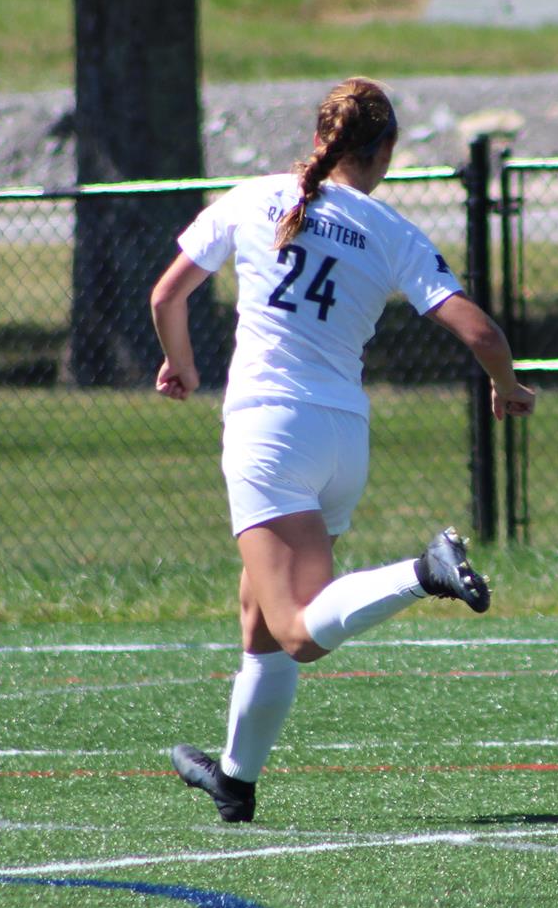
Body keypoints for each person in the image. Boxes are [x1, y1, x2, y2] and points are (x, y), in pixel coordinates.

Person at [151, 76, 537, 822]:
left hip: (270, 433)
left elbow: (167, 296)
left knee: (298, 632)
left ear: (319, 137)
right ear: (384, 151)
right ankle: (234, 780)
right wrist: (507, 386)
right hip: (342, 440)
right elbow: (482, 333)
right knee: (259, 613)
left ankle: (423, 571)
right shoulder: (392, 230)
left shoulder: (251, 198)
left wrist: (182, 364)